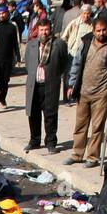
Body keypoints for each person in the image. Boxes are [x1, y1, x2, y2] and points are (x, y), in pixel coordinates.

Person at [67, 14, 107, 166]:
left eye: (104, 30)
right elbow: (77, 64)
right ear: (93, 30)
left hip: (101, 93)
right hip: (83, 91)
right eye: (98, 30)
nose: (101, 33)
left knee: (97, 127)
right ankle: (77, 154)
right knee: (80, 125)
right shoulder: (85, 43)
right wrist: (72, 84)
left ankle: (93, 157)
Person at [24, 16, 70, 153]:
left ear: (50, 30)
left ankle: (51, 142)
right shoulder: (32, 45)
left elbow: (63, 64)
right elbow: (28, 63)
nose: (44, 32)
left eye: (46, 30)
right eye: (41, 29)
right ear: (37, 30)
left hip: (50, 85)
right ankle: (34, 141)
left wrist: (54, 75)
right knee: (33, 114)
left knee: (50, 115)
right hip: (34, 85)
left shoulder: (59, 44)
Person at [59, 4, 92, 101]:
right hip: (73, 53)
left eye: (88, 14)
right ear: (81, 13)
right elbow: (64, 37)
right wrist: (67, 48)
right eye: (84, 13)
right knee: (69, 74)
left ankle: (77, 94)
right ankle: (67, 96)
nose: (86, 16)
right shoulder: (74, 23)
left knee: (81, 74)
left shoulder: (92, 25)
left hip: (85, 55)